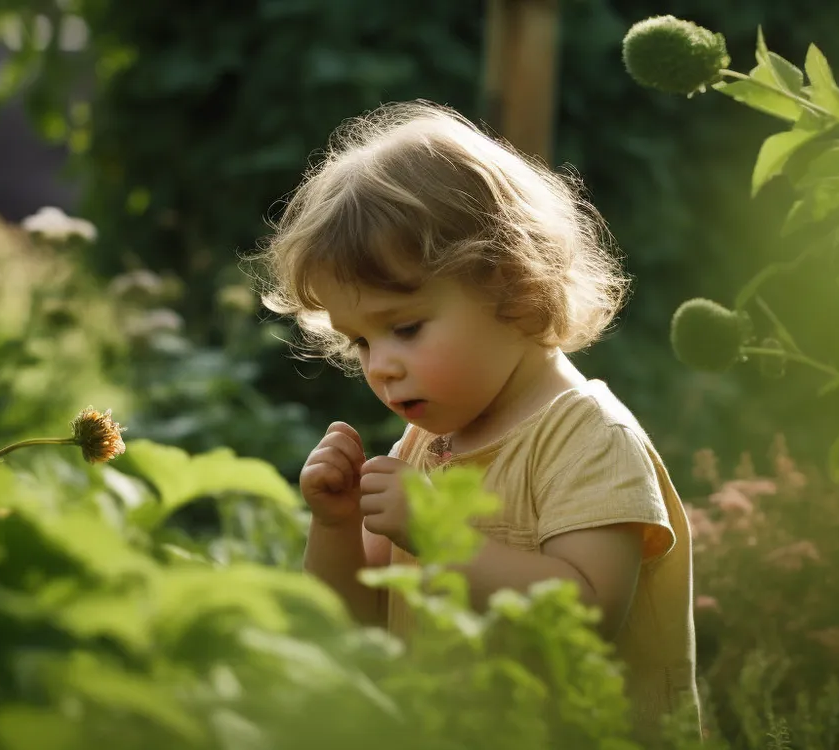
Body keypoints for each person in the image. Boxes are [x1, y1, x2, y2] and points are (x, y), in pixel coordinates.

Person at [253, 100, 699, 741]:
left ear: (513, 287)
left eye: (404, 328)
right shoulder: (425, 445)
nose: (381, 366)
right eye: (361, 343)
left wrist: (437, 531)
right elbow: (354, 624)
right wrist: (336, 525)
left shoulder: (588, 437)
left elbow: (586, 613)